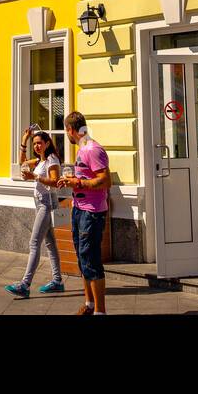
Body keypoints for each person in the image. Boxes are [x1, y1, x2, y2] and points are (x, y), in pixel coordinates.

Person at [56, 111, 110, 315]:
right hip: (79, 210)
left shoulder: (93, 149)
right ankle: (89, 305)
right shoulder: (83, 148)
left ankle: (100, 311)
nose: (67, 135)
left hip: (92, 214)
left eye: (66, 131)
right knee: (82, 259)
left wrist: (78, 182)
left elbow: (105, 181)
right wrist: (70, 183)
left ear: (70, 130)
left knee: (91, 260)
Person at [5, 128, 65, 298]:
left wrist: (35, 178)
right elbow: (22, 164)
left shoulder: (52, 159)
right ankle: (57, 281)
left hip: (47, 203)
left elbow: (55, 182)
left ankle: (25, 284)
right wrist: (24, 140)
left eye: (40, 143)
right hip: (39, 203)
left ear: (47, 143)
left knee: (34, 243)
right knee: (50, 244)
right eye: (35, 144)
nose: (37, 146)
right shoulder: (40, 161)